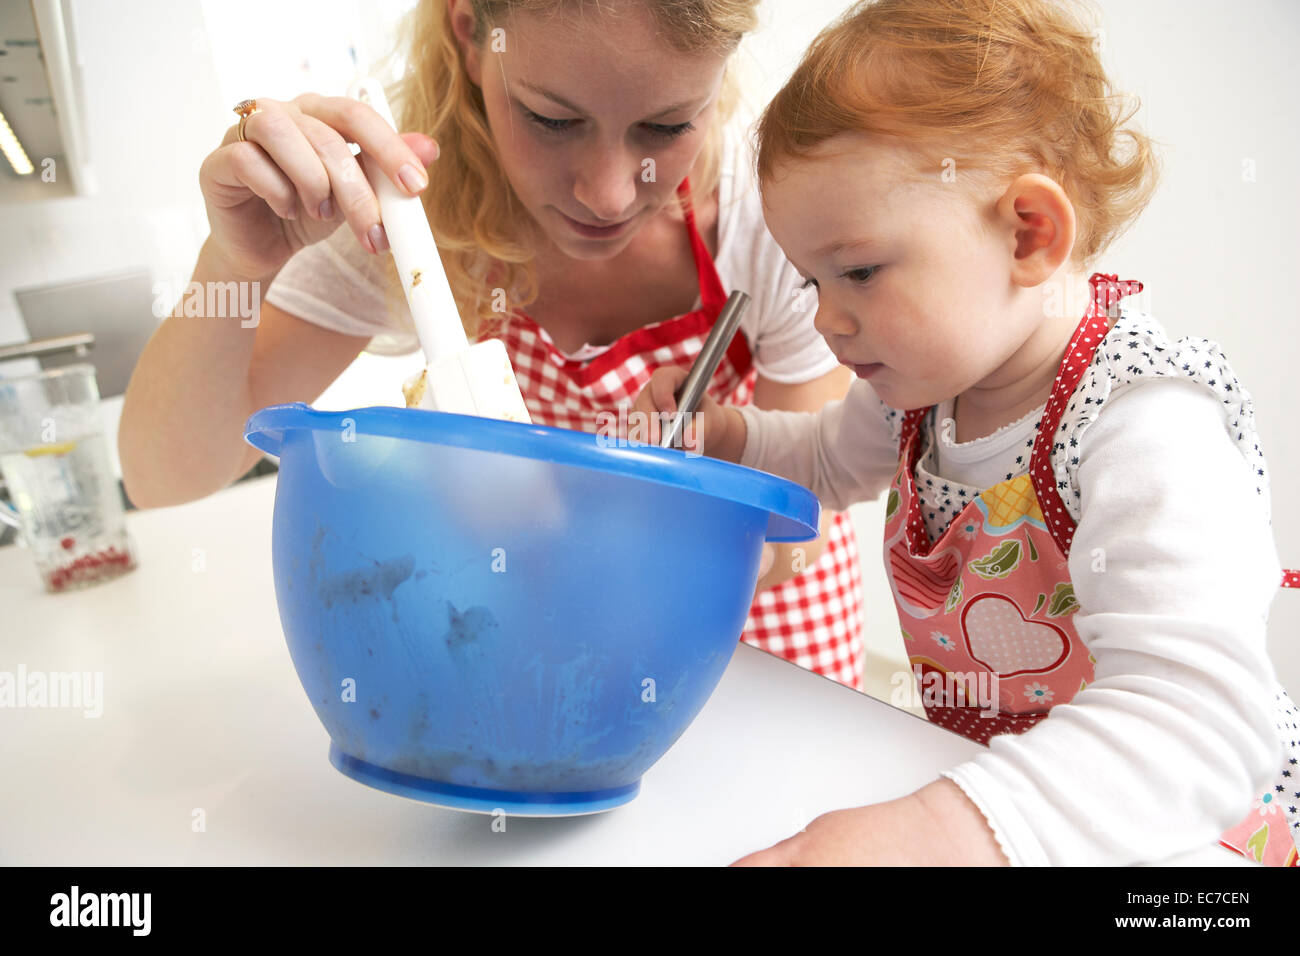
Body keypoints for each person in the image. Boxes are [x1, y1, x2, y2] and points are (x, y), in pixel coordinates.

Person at [633, 0, 1300, 866]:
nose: (830, 320)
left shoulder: (1146, 422)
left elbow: (1202, 723)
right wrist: (731, 439)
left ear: (1030, 233)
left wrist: (941, 830)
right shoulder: (921, 391)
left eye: (861, 272)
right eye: (812, 283)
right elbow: (828, 463)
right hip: (1005, 812)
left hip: (1181, 844)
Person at [119, 0, 868, 688]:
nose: (606, 194)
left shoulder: (765, 212)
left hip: (772, 643)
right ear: (471, 33)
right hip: (562, 638)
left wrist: (665, 565)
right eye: (551, 119)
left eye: (668, 126)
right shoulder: (404, 212)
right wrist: (234, 266)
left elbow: (806, 511)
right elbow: (166, 480)